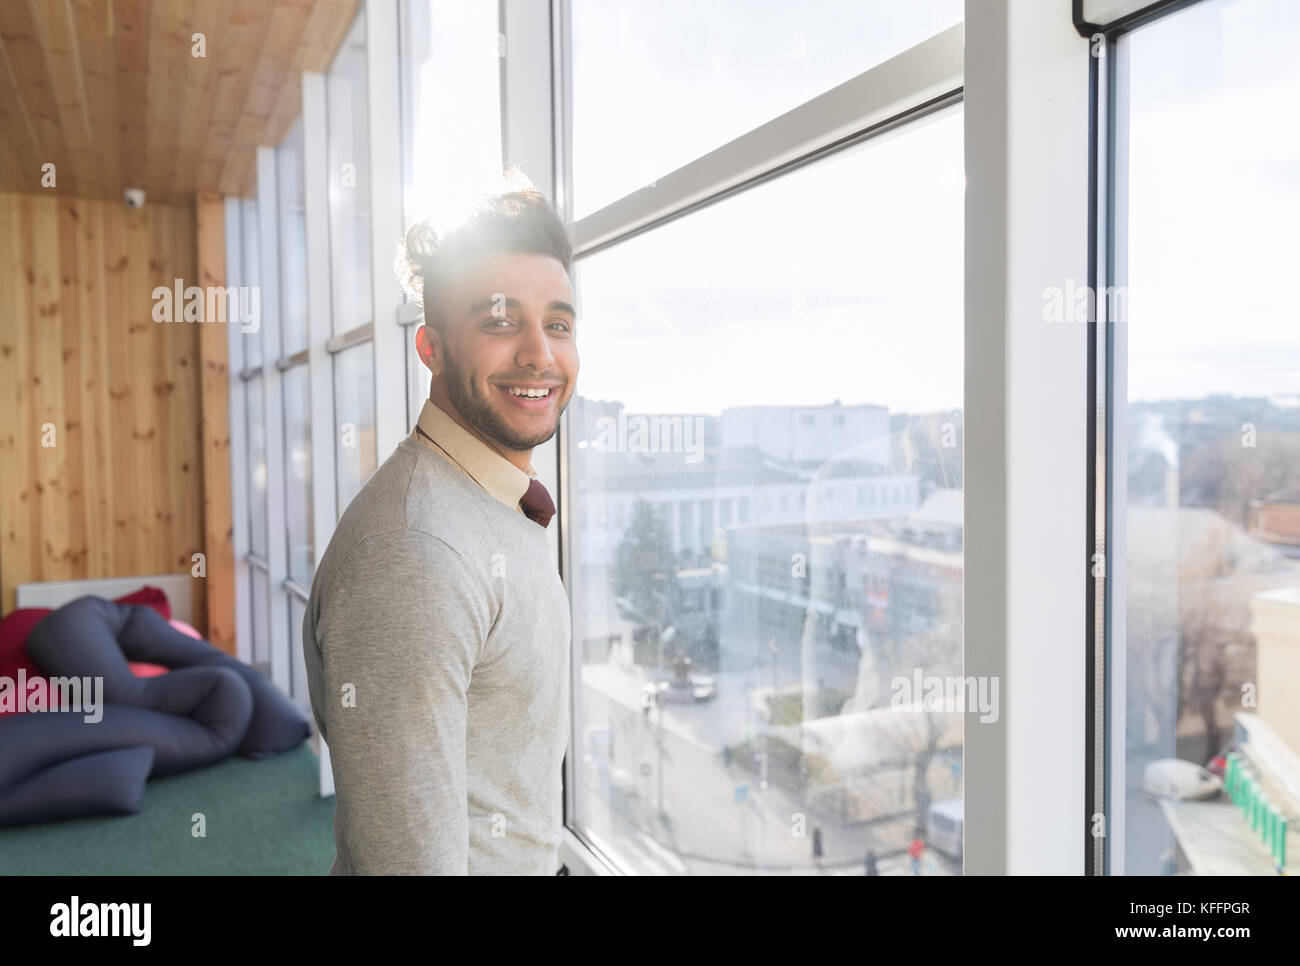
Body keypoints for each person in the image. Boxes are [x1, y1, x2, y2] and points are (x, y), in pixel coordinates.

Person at [302, 171, 577, 874]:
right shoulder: (416, 553)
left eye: (557, 323)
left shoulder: (489, 498)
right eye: (498, 320)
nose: (539, 354)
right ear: (430, 348)